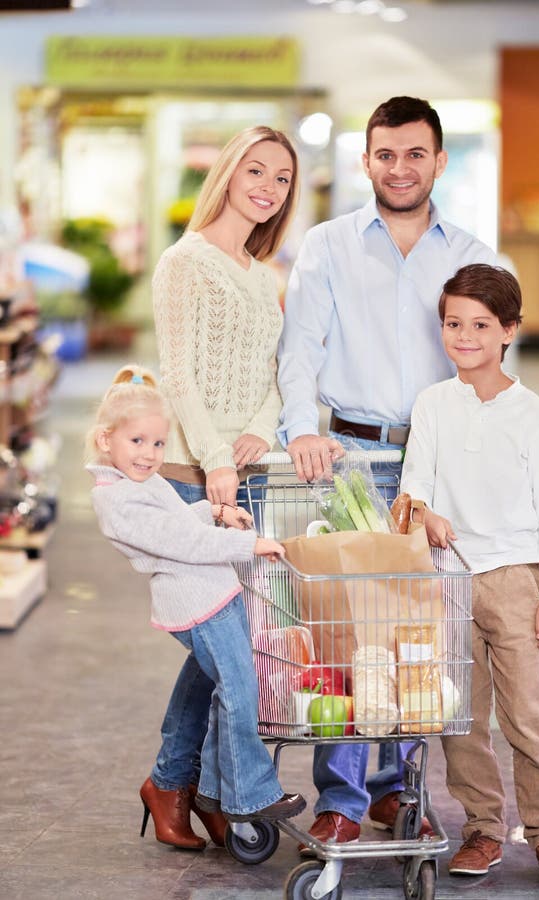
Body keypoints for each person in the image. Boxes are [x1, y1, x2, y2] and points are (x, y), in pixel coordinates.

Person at [276, 96, 497, 849]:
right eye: (385, 154)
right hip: (350, 458)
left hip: (438, 459)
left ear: (439, 161)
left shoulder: (474, 256)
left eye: (414, 154)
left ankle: (398, 792)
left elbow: (493, 363)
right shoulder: (328, 246)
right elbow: (300, 348)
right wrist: (302, 430)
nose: (400, 168)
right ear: (366, 160)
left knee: (418, 629)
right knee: (346, 628)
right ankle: (340, 797)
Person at [400, 263, 539, 882]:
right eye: (454, 323)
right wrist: (422, 511)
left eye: (481, 325)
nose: (465, 336)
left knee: (529, 714)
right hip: (448, 579)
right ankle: (481, 829)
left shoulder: (530, 412)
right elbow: (414, 482)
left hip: (515, 579)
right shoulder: (432, 404)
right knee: (461, 717)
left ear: (509, 330)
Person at [147, 125, 300, 848]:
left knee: (223, 644)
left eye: (281, 179)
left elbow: (273, 376)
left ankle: (179, 784)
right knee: (225, 646)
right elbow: (178, 376)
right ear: (230, 173)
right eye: (256, 171)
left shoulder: (261, 275)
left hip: (251, 478)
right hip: (195, 480)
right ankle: (232, 790)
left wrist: (261, 435)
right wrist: (215, 461)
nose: (268, 188)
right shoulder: (184, 263)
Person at [85, 365, 306, 849]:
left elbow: (179, 520)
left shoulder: (139, 483)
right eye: (137, 441)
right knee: (239, 688)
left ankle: (206, 790)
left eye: (157, 444)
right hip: (197, 602)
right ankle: (249, 793)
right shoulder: (115, 501)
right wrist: (250, 544)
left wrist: (216, 511)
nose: (149, 454)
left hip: (211, 593)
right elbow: (182, 541)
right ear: (105, 440)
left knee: (214, 683)